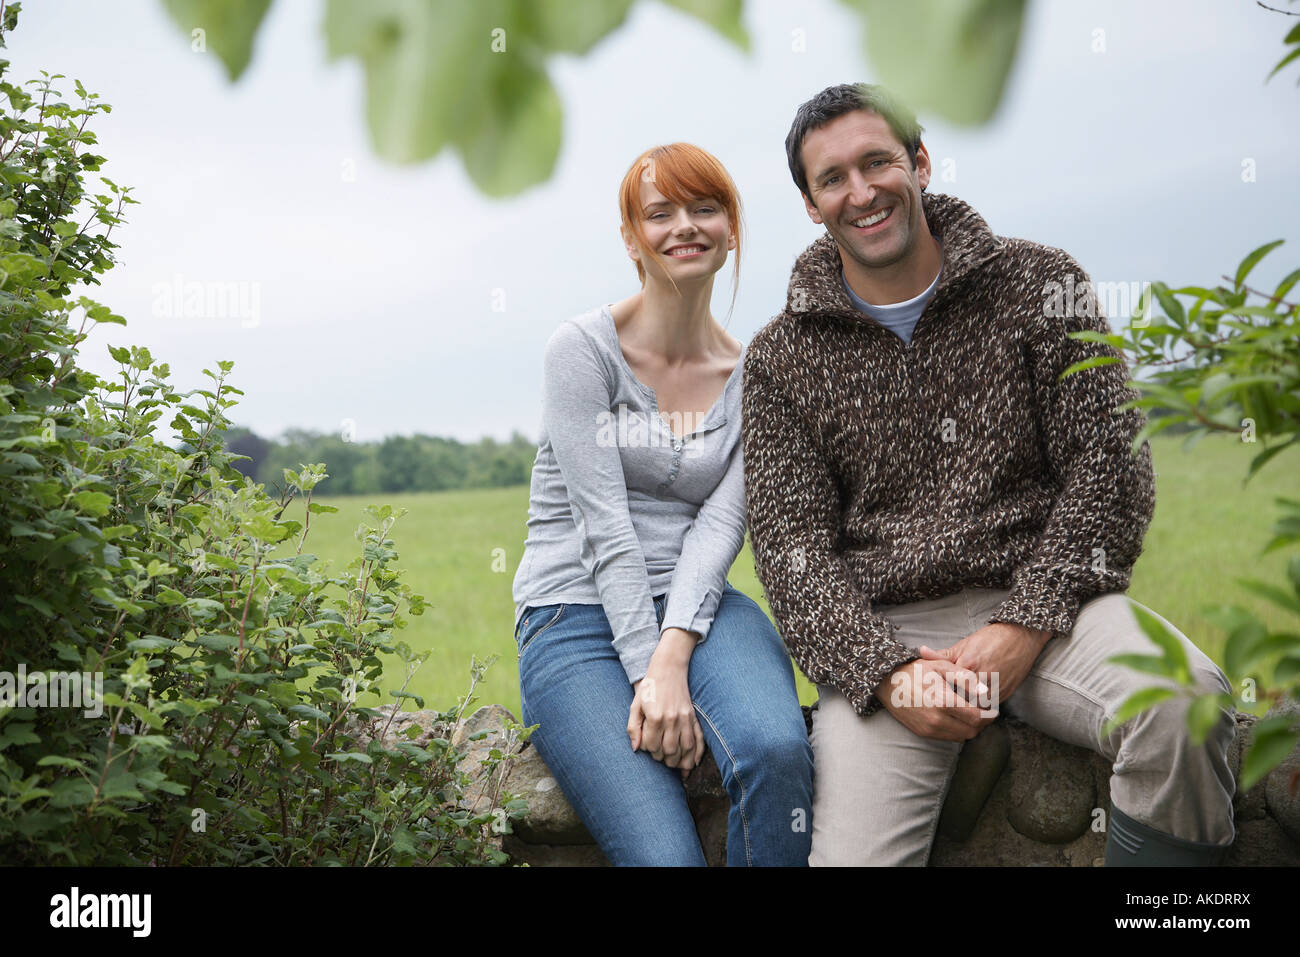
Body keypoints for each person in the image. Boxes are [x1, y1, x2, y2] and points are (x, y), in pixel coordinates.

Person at [741, 82, 1237, 866]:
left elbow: (1111, 471)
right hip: (888, 632)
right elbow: (790, 551)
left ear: (922, 162)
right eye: (832, 178)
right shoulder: (778, 359)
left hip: (1054, 608)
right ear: (810, 203)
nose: (861, 191)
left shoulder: (1043, 285)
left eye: (878, 162)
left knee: (1187, 705)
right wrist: (886, 670)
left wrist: (1025, 620)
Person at [510, 142, 814, 866]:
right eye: (660, 212)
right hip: (571, 616)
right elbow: (605, 528)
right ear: (631, 238)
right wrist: (650, 673)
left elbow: (721, 523)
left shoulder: (757, 373)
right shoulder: (581, 351)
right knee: (663, 855)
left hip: (698, 608)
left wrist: (671, 655)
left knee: (774, 751)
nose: (686, 225)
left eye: (706, 208)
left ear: (732, 229)